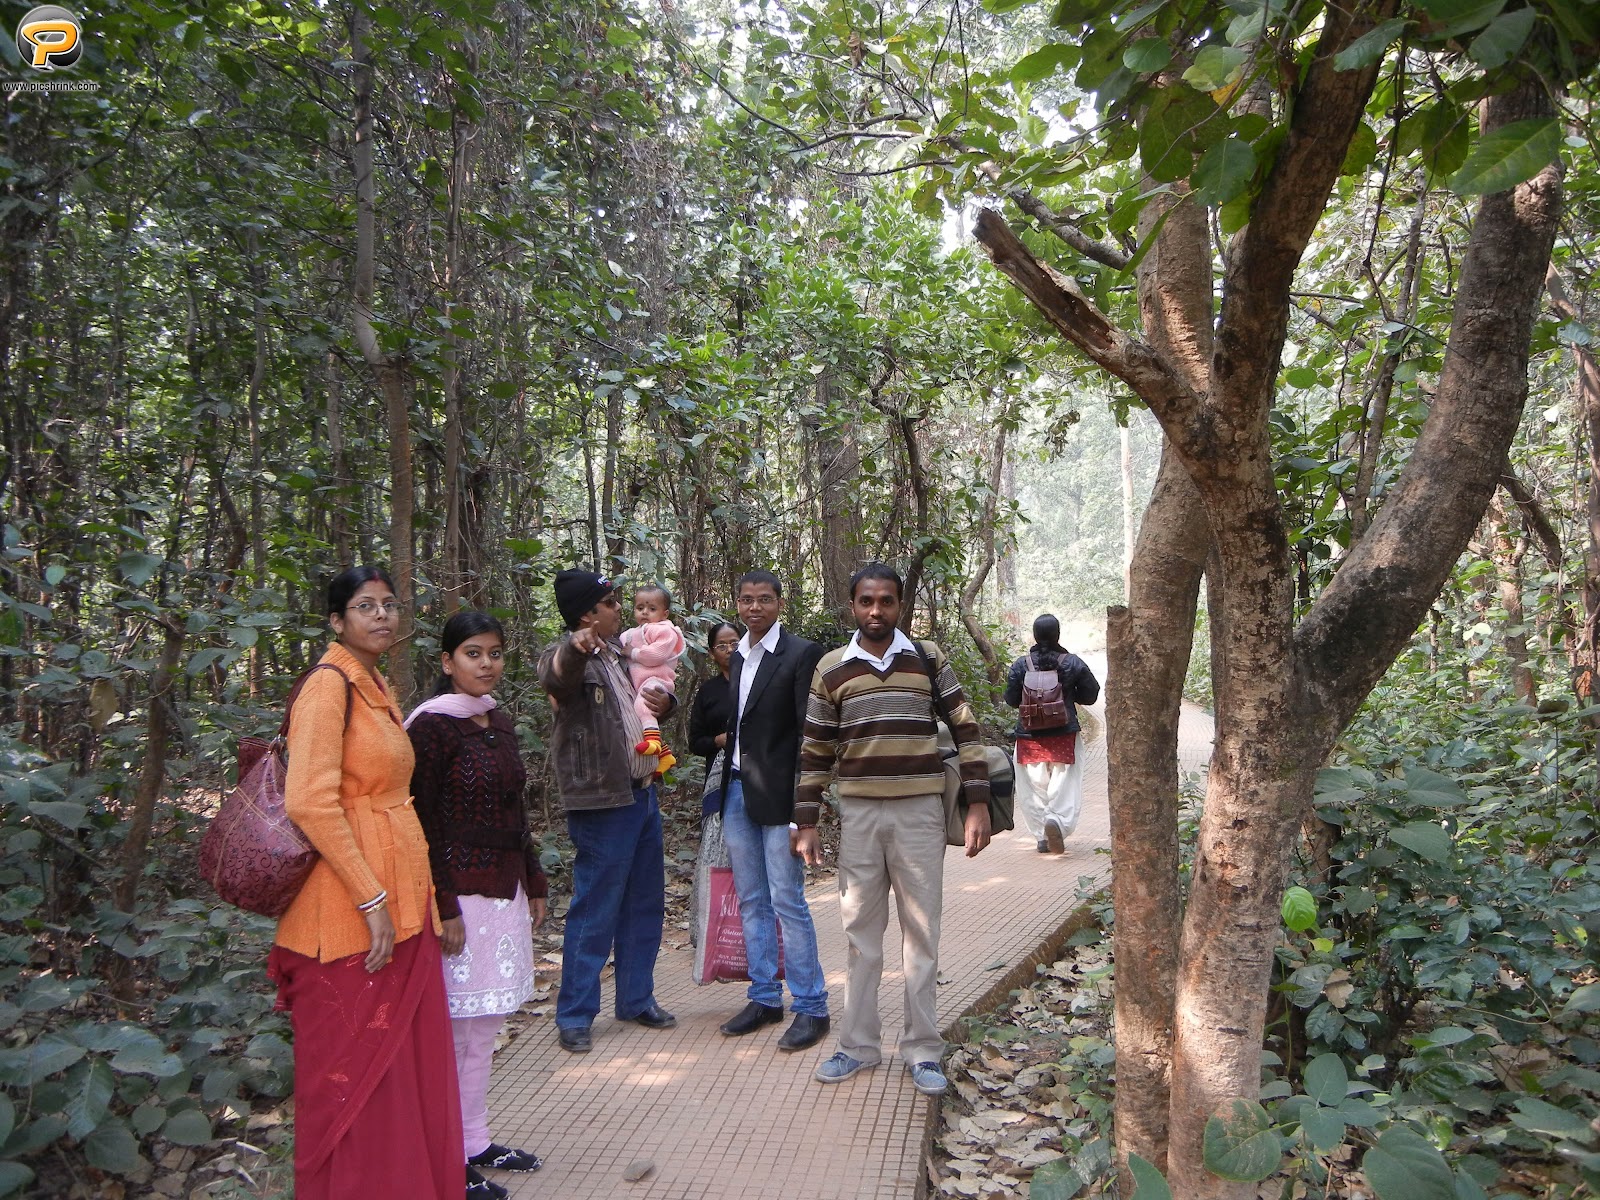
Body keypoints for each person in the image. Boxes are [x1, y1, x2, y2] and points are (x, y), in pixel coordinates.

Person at [268, 566, 464, 1200]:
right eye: (363, 607)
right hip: (351, 909)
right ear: (336, 620)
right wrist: (370, 897)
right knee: (354, 1074)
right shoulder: (329, 686)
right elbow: (310, 802)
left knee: (403, 1068)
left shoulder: (374, 683)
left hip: (402, 900)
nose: (381, 616)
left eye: (389, 605)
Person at [793, 563, 991, 1098]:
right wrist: (806, 821)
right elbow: (814, 750)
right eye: (865, 602)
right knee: (860, 933)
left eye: (885, 601)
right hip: (859, 815)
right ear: (852, 605)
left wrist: (978, 806)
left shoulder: (929, 659)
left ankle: (923, 1049)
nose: (875, 611)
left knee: (921, 933)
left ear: (900, 605)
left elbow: (967, 730)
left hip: (921, 813)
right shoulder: (832, 669)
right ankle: (857, 1045)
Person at [407, 611, 549, 1199]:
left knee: (484, 1027)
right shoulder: (432, 728)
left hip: (504, 889)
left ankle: (474, 1139)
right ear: (447, 662)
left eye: (493, 653)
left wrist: (535, 879)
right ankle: (446, 1157)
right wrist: (443, 906)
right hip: (458, 895)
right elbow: (421, 821)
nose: (486, 664)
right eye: (472, 653)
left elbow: (516, 811)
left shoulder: (500, 721)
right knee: (451, 1029)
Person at [538, 569, 677, 1053]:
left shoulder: (621, 654)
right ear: (586, 615)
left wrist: (665, 700)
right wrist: (575, 648)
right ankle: (575, 1013)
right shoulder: (569, 658)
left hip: (642, 793)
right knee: (595, 908)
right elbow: (555, 675)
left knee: (644, 903)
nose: (621, 609)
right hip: (601, 803)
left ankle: (636, 998)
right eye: (611, 603)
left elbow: (652, 698)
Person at [715, 570, 830, 1052]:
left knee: (787, 899)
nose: (753, 608)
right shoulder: (739, 654)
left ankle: (812, 1006)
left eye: (763, 600)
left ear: (780, 604)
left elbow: (811, 736)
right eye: (745, 600)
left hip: (781, 796)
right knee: (751, 900)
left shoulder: (800, 654)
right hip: (738, 791)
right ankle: (764, 996)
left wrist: (803, 814)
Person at [1002, 615, 1101, 854]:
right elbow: (1091, 695)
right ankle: (1057, 821)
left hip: (1029, 737)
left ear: (1035, 636)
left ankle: (1041, 837)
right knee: (1065, 784)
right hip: (1064, 735)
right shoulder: (1072, 662)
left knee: (1033, 788)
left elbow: (1011, 699)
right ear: (1058, 634)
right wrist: (1067, 693)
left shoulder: (1020, 665)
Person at [620, 583, 686, 776]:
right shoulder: (630, 633)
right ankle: (665, 755)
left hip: (656, 680)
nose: (645, 613)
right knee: (635, 718)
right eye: (640, 608)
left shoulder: (665, 630)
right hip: (640, 682)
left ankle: (654, 742)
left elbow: (657, 655)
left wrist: (634, 652)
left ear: (664, 614)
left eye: (652, 609)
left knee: (642, 707)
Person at [687, 620, 740, 790]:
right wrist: (718, 741)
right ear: (711, 653)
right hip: (722, 778)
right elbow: (696, 742)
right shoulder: (707, 691)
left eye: (734, 643)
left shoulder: (760, 681)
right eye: (722, 646)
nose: (730, 650)